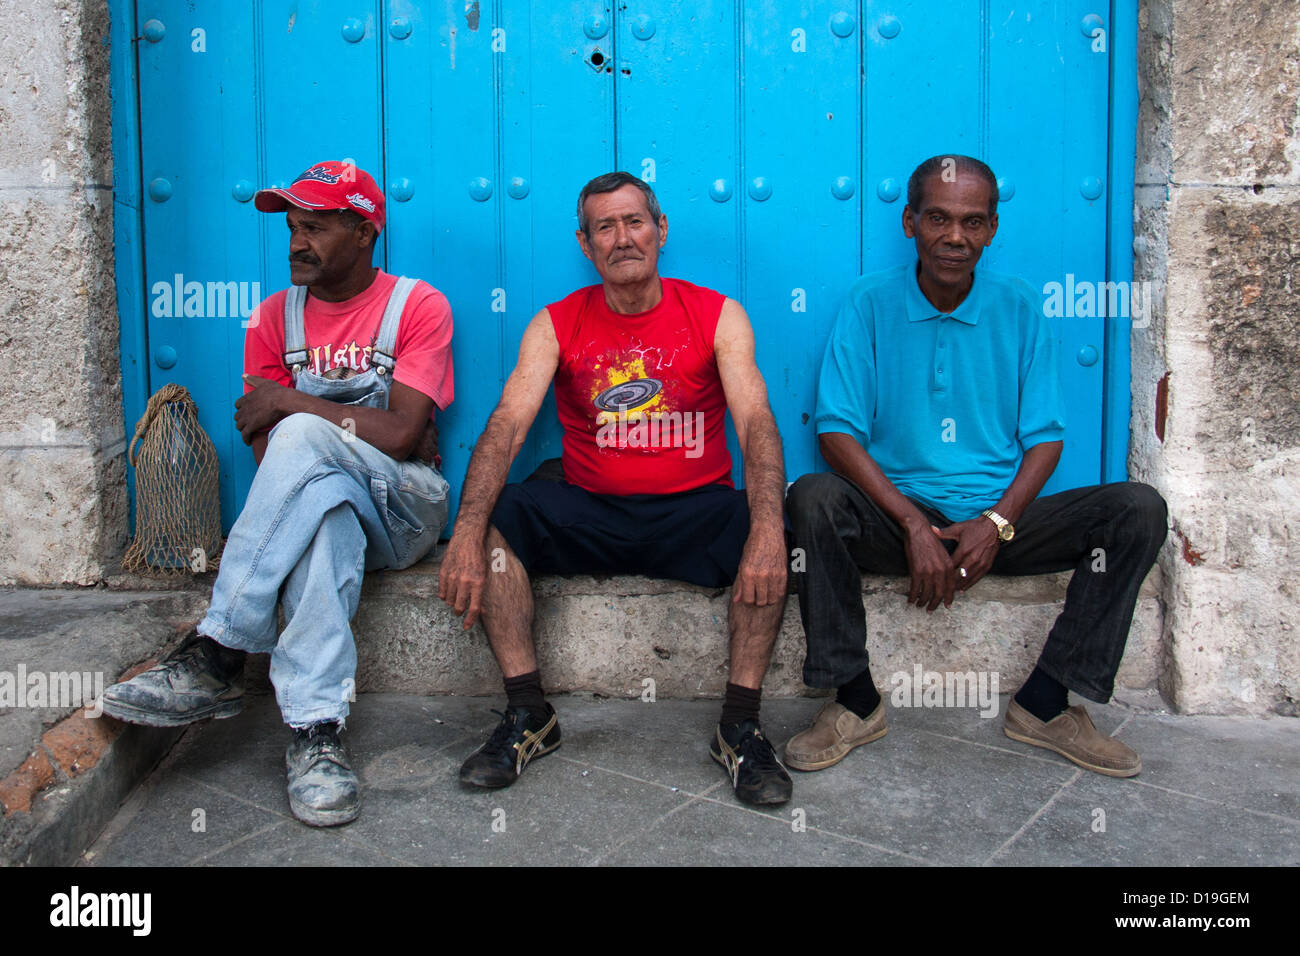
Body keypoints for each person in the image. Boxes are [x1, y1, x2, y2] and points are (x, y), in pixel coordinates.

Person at [785, 154, 1167, 778]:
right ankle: (853, 699)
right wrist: (911, 525)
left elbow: (1045, 438)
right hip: (904, 523)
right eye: (937, 217)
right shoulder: (870, 302)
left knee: (1137, 510)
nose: (954, 236)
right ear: (909, 222)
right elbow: (836, 433)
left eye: (971, 221)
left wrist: (997, 522)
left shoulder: (1018, 306)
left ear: (992, 229)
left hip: (997, 523)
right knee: (813, 496)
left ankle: (1045, 703)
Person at [103, 161, 454, 826]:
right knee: (322, 521)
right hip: (330, 508)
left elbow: (405, 435)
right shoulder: (272, 317)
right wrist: (336, 427)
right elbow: (272, 461)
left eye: (316, 227)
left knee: (298, 441)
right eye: (294, 227)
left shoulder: (417, 305)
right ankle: (316, 735)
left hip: (405, 509)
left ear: (363, 232)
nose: (298, 242)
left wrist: (289, 400)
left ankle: (219, 649)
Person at [437, 171, 793, 806]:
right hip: (592, 512)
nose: (622, 238)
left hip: (695, 512)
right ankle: (528, 715)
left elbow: (757, 423)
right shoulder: (556, 323)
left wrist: (768, 529)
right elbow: (507, 427)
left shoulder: (716, 314)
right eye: (605, 226)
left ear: (661, 231)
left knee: (769, 523)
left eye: (634, 222)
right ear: (585, 243)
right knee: (500, 515)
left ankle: (740, 726)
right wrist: (463, 535)